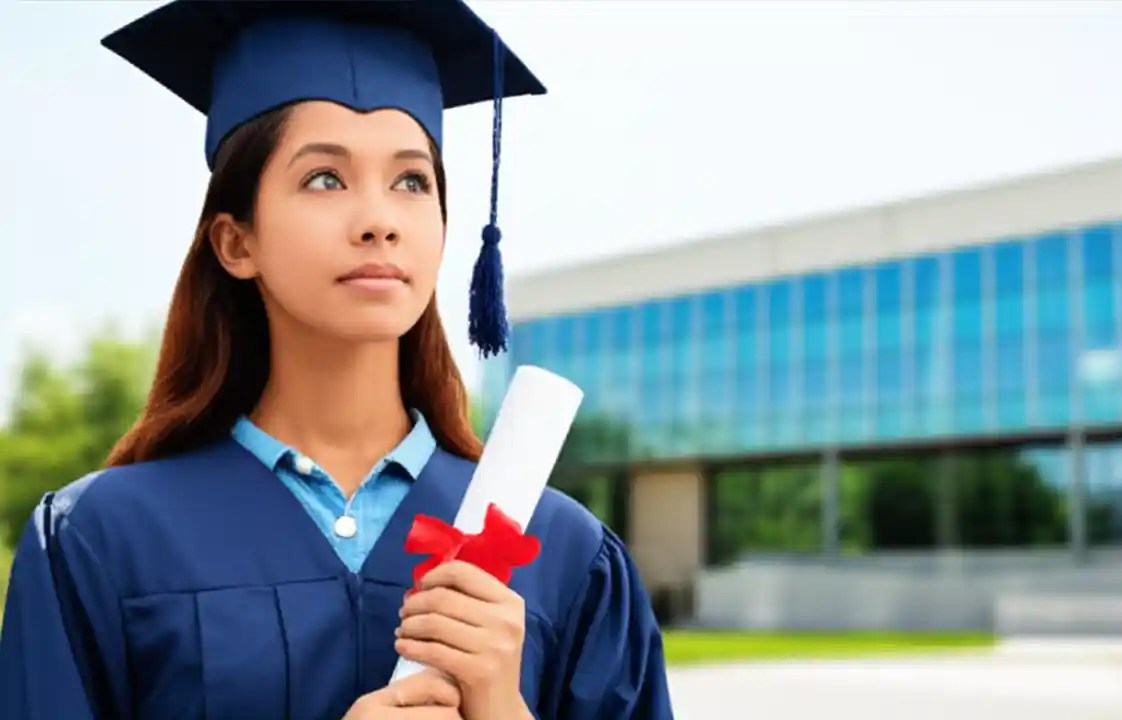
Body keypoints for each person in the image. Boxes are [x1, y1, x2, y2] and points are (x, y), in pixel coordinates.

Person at [0, 1, 674, 718]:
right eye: (325, 178)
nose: (380, 218)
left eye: (412, 181)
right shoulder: (102, 542)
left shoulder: (563, 552)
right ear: (236, 242)